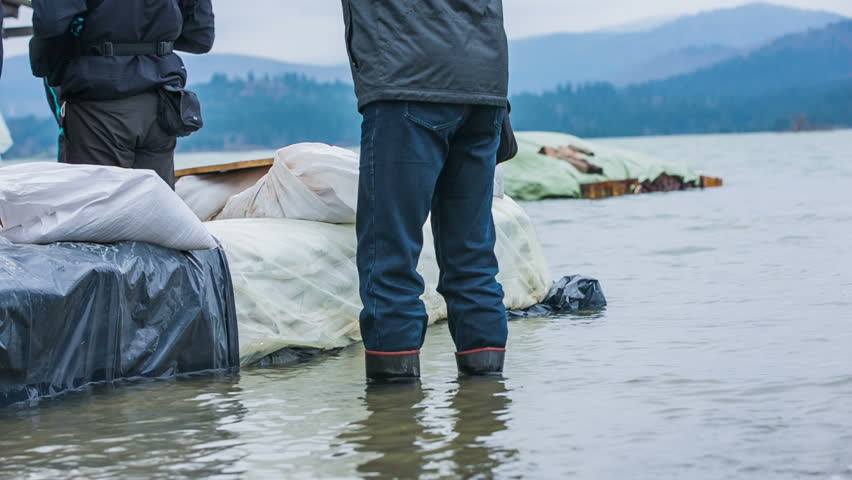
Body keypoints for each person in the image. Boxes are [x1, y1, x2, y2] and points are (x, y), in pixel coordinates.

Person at [342, 0, 510, 381]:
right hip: (484, 88)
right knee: (472, 256)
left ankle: (394, 413)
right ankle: (485, 406)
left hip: (406, 82)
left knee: (389, 256)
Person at [30, 0, 214, 189]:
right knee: (155, 207)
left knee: (97, 206)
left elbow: (49, 22)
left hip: (99, 102)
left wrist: (55, 62)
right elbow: (200, 37)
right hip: (162, 101)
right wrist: (152, 41)